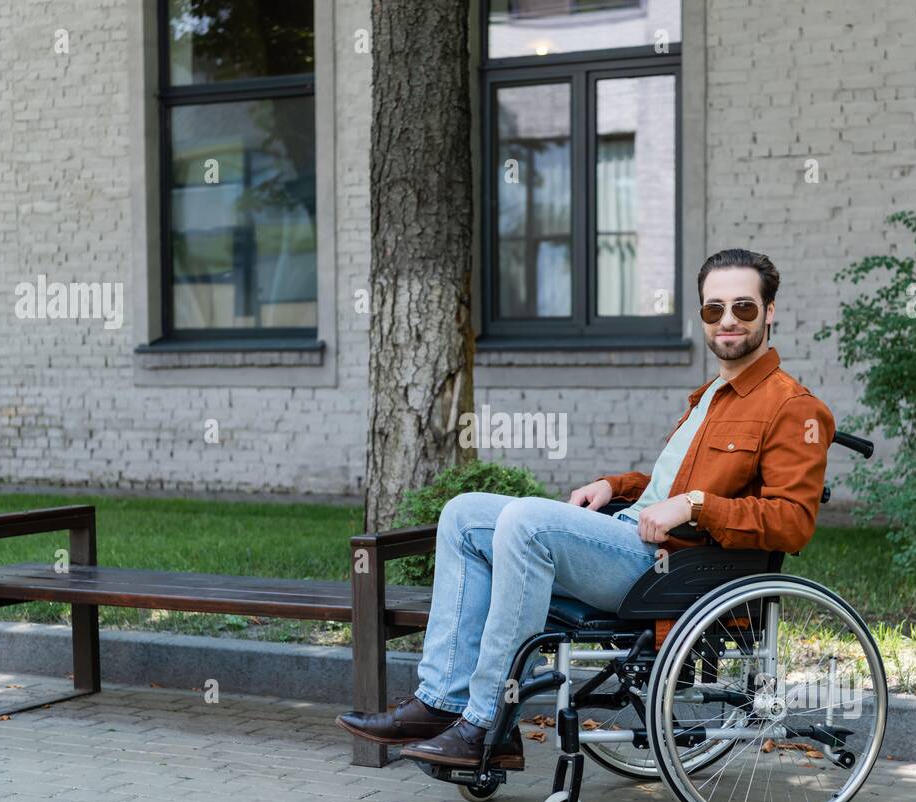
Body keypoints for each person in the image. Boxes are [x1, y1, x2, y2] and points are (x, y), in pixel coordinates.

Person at [337, 248, 835, 769]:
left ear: (770, 311)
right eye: (714, 310)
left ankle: (487, 722)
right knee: (463, 515)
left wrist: (695, 506)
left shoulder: (792, 408)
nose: (727, 321)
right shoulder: (712, 395)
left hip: (674, 568)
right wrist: (614, 484)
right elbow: (672, 484)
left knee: (526, 523)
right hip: (630, 537)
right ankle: (440, 702)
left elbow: (791, 522)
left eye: (744, 308)